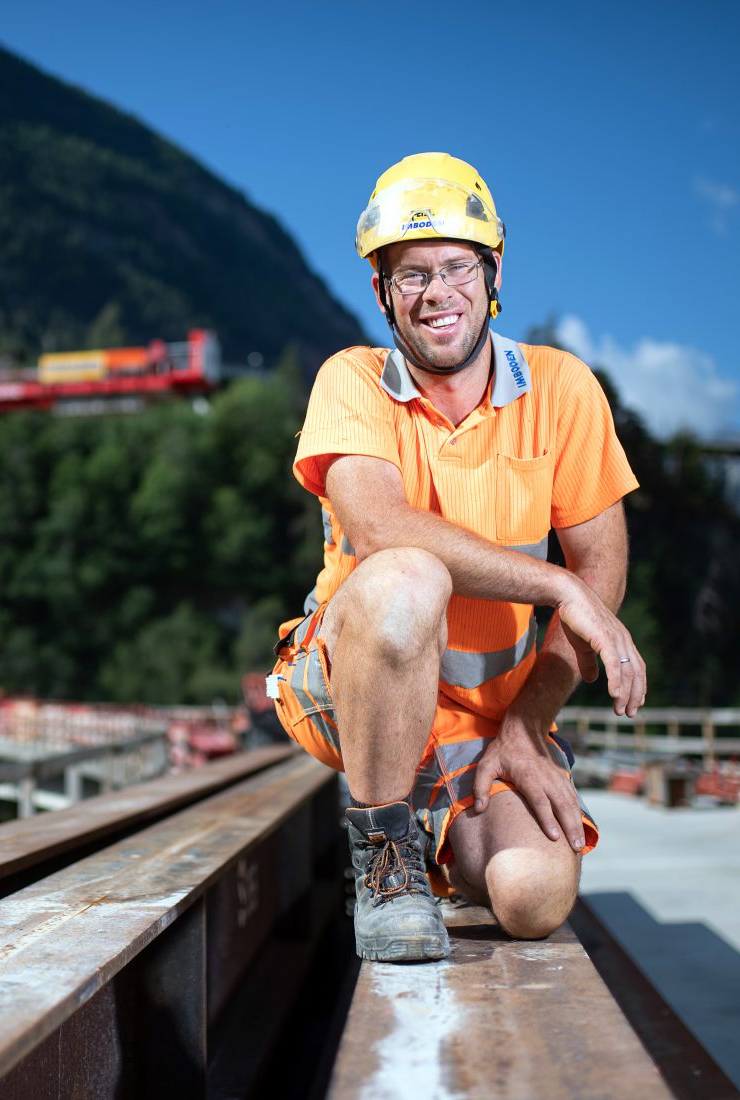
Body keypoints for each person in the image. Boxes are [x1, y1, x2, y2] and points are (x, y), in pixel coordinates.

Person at [268, 153, 647, 961]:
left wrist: (530, 720)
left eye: (454, 268)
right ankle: (386, 859)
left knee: (533, 896)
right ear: (382, 294)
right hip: (352, 684)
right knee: (407, 573)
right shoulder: (353, 381)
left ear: (493, 271)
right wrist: (556, 587)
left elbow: (601, 567)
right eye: (409, 277)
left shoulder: (563, 389)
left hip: (485, 716)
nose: (435, 293)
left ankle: (442, 833)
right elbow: (378, 529)